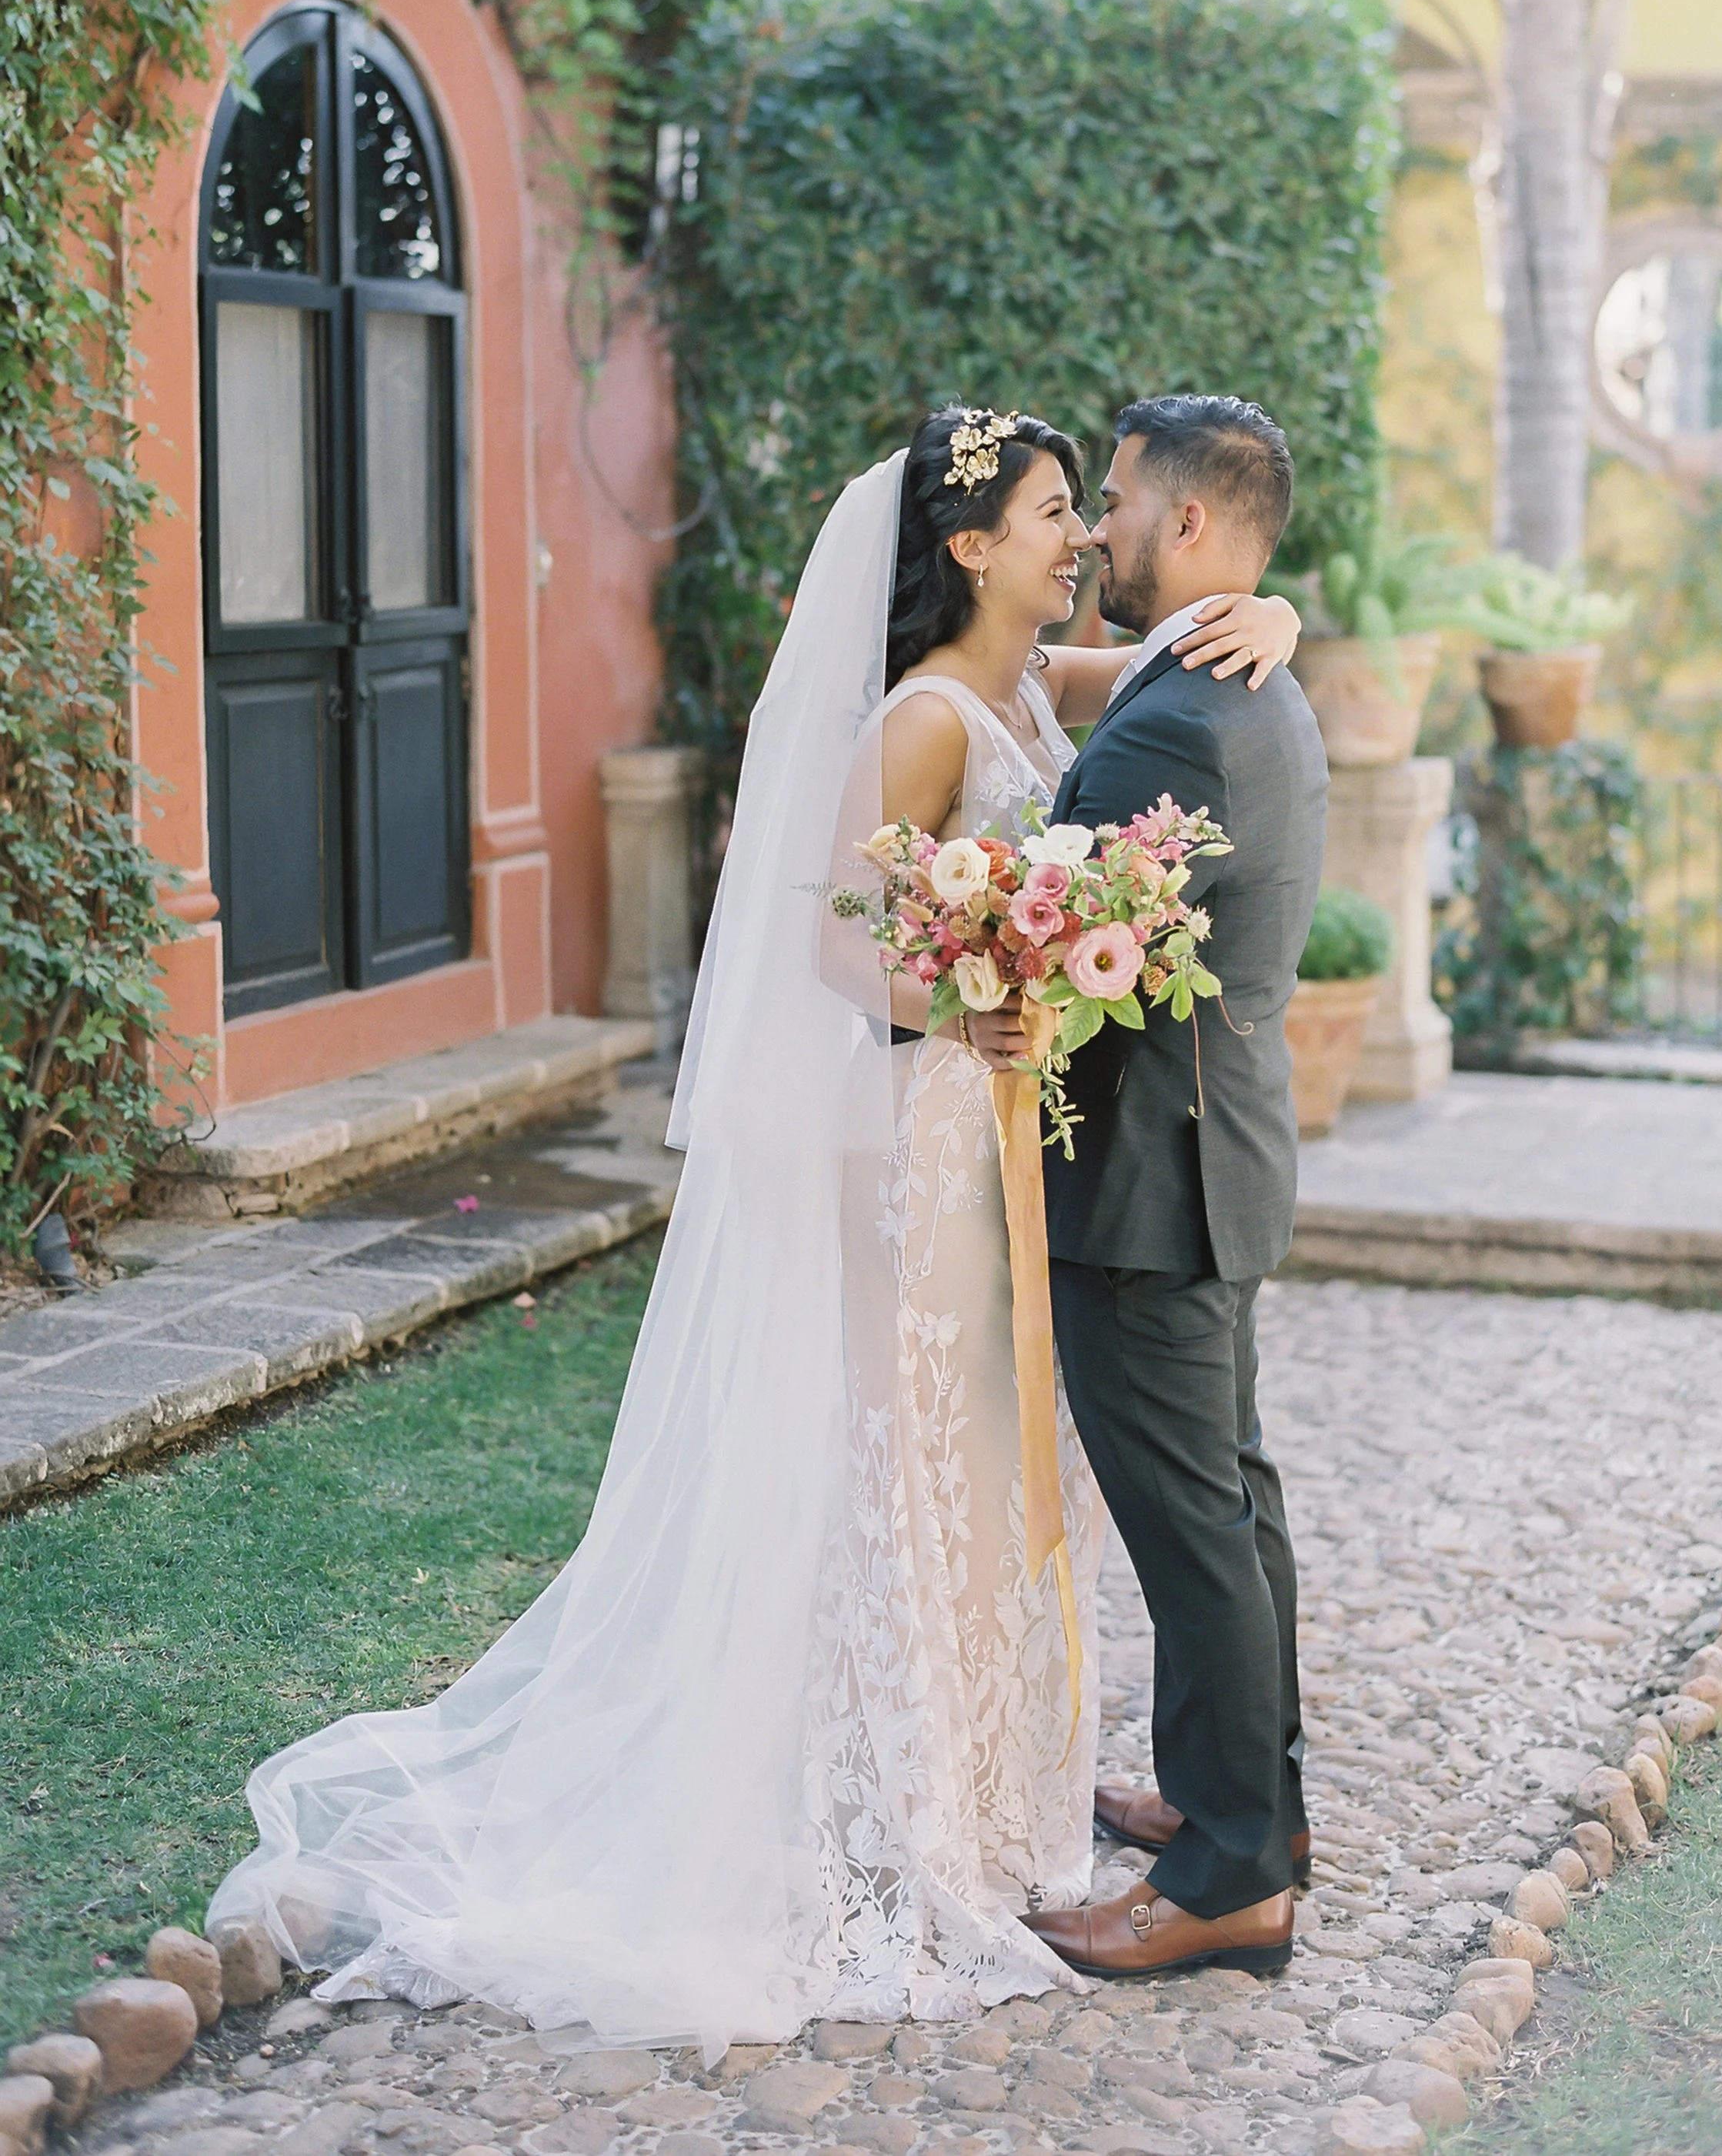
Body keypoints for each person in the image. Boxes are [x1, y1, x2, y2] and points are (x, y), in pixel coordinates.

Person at [207, 406, 1300, 2051]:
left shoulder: (1029, 687)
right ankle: (896, 1811)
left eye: (1098, 504)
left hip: (1013, 1154)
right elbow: (835, 948)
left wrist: (1273, 608)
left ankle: (1002, 1801)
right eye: (1056, 510)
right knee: (914, 1468)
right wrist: (968, 1002)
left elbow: (1152, 672)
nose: (1084, 534)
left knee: (1004, 1476)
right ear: (969, 546)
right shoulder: (923, 717)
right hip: (932, 1140)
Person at [971, 395, 1328, 1981]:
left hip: (1147, 1185)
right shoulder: (1237, 677)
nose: (1099, 528)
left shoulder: (1189, 714)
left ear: (1185, 523)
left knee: (1196, 1533)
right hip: (1212, 1161)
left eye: (1112, 501)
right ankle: (1243, 1809)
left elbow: (1055, 944)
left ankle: (1232, 1876)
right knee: (1229, 1510)